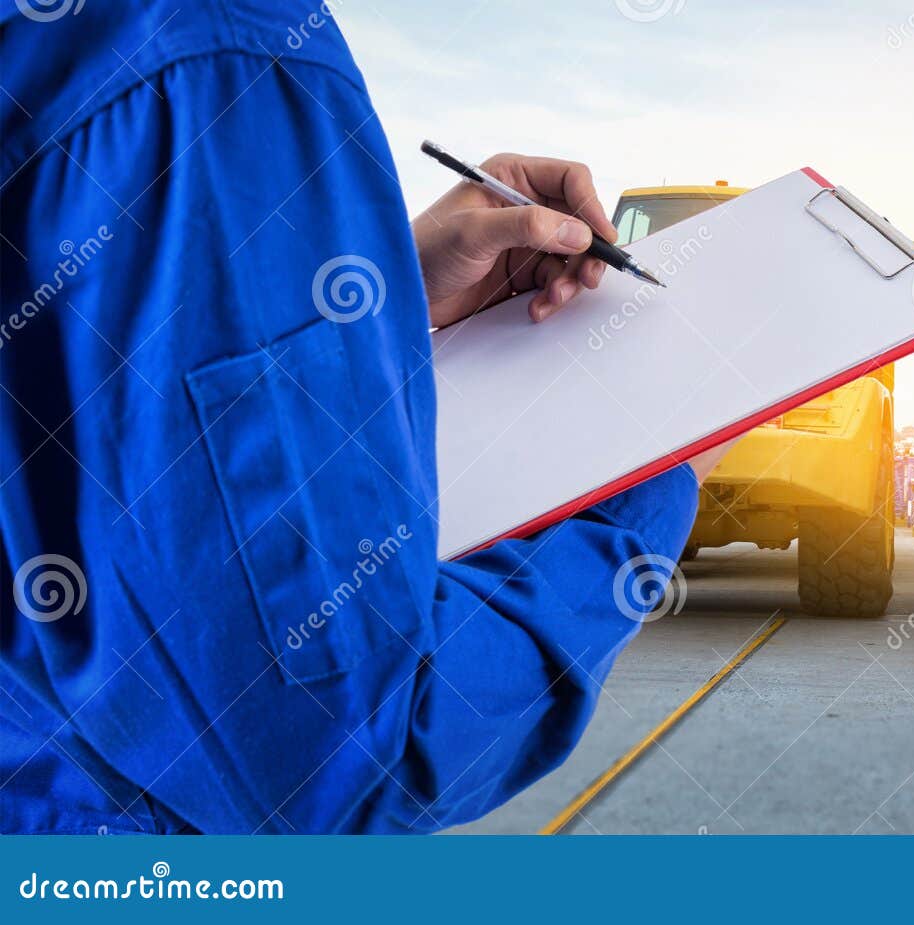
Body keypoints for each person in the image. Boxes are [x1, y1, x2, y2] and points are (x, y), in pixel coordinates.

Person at [0, 0, 725, 833]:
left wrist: (370, 307)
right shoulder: (215, 55)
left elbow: (71, 395)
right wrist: (652, 473)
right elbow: (342, 763)